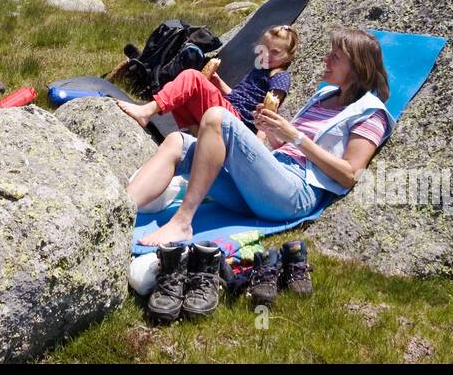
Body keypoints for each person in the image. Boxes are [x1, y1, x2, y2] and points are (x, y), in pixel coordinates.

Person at [130, 27, 394, 247]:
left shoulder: (370, 113)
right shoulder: (323, 97)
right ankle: (118, 210)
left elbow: (349, 175)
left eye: (335, 57)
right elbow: (284, 146)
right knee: (179, 142)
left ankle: (182, 222)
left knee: (216, 116)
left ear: (357, 67)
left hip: (295, 193)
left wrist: (297, 137)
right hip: (266, 182)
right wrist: (272, 130)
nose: (325, 59)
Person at [117, 25, 297, 137]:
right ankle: (196, 135)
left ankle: (147, 111)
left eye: (274, 52)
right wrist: (218, 83)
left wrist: (258, 141)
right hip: (230, 109)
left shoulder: (279, 77)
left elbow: (270, 111)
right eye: (264, 49)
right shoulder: (259, 70)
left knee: (191, 77)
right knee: (182, 92)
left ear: (288, 56)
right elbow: (237, 96)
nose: (267, 54)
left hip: (240, 122)